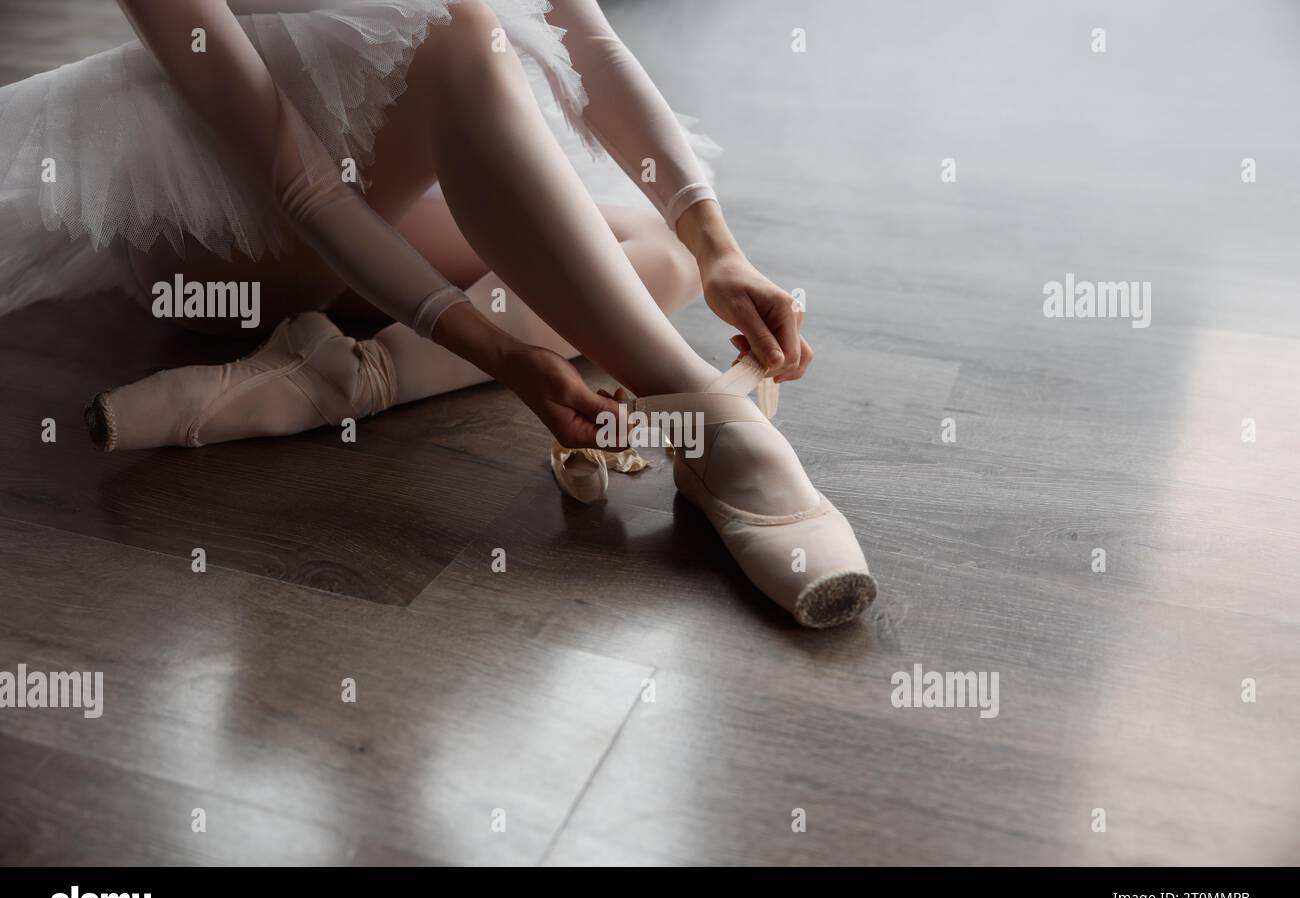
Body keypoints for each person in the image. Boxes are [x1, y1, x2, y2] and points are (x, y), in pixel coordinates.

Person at [0, 0, 875, 627]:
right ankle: (712, 426)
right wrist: (493, 348)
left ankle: (357, 375)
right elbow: (300, 184)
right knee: (462, 31)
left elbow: (589, 40)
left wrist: (720, 244)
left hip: (372, 180)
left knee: (664, 249)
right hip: (229, 227)